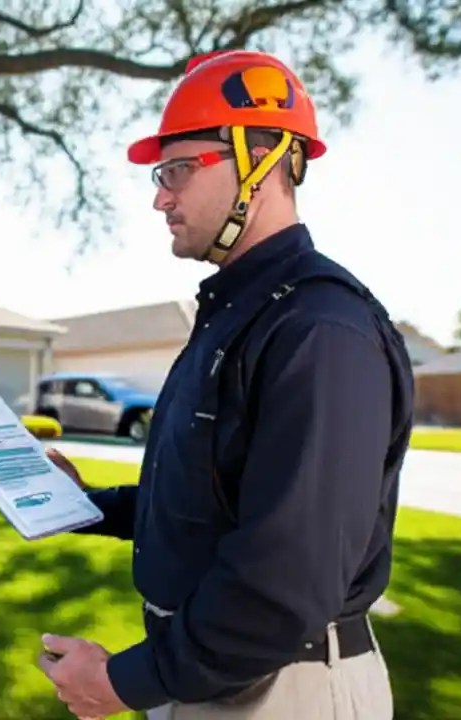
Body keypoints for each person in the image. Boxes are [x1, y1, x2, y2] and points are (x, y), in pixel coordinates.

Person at [36, 49, 415, 720]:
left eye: (179, 169)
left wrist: (125, 682)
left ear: (262, 162)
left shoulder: (319, 328)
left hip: (282, 689)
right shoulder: (243, 312)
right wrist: (87, 505)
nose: (160, 196)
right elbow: (210, 496)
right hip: (209, 672)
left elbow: (285, 578)